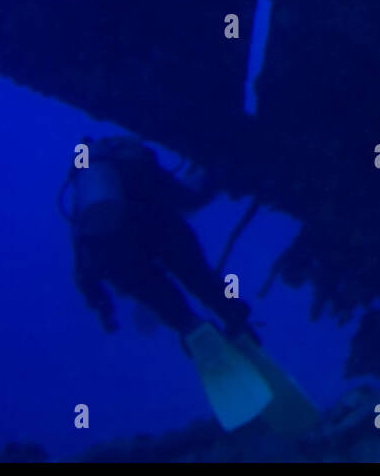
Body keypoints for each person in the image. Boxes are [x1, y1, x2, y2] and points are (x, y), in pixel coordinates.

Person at [60, 136, 280, 430]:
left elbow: (83, 266)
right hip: (165, 233)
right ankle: (240, 327)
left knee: (180, 316)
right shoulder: (134, 163)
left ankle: (201, 339)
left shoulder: (86, 204)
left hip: (121, 261)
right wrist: (219, 171)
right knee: (206, 285)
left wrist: (103, 307)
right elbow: (187, 197)